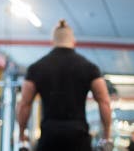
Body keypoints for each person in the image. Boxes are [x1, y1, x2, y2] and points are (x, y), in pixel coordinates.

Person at [16, 19, 112, 151]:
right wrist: (107, 137)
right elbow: (104, 102)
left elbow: (24, 104)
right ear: (73, 42)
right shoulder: (90, 67)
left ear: (53, 42)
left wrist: (21, 137)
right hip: (79, 138)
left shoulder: (36, 68)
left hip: (49, 138)